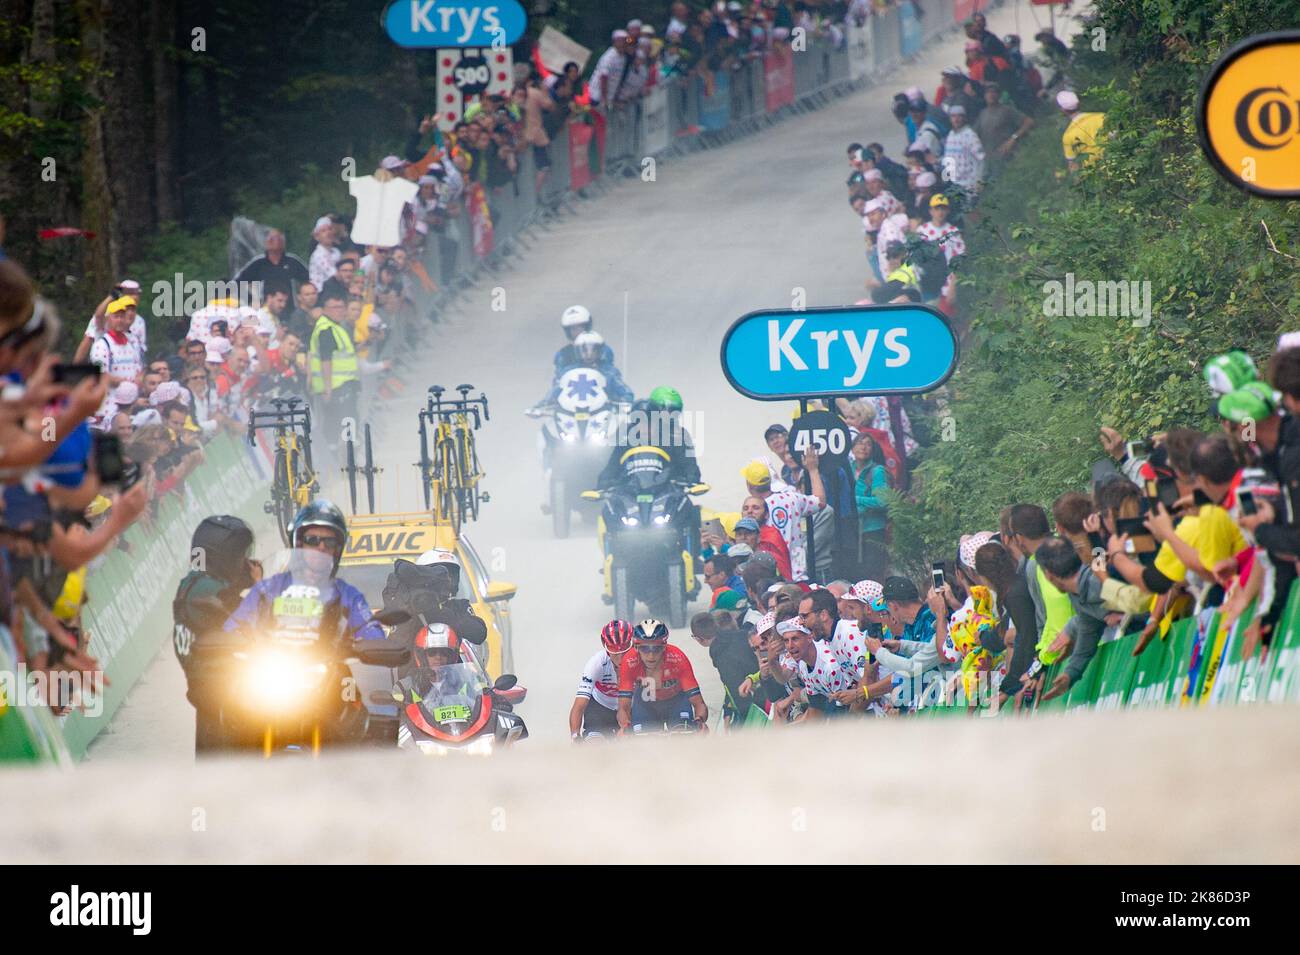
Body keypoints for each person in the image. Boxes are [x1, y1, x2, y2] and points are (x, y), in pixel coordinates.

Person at [224, 501, 382, 643]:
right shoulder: (268, 589)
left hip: (330, 671)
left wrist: (377, 644)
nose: (321, 547)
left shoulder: (349, 596)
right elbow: (233, 627)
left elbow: (371, 631)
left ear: (337, 549)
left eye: (329, 542)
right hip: (271, 670)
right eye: (312, 540)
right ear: (298, 543)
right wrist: (228, 641)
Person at [172, 515, 260, 752]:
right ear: (223, 558)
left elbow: (225, 590)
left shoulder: (194, 581)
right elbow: (249, 617)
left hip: (213, 690)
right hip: (225, 693)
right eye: (239, 557)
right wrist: (260, 585)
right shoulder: (207, 594)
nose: (245, 562)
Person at [378, 548, 488, 668]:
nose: (448, 580)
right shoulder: (408, 607)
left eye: (452, 574)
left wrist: (442, 615)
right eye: (442, 575)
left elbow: (479, 632)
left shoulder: (458, 606)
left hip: (451, 677)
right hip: (412, 677)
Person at [616, 618, 708, 731]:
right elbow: (623, 708)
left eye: (656, 648)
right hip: (646, 704)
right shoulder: (629, 661)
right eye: (644, 649)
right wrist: (625, 728)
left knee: (683, 735)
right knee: (642, 740)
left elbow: (699, 703)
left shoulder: (678, 658)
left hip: (677, 702)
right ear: (636, 647)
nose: (651, 655)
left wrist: (700, 721)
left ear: (664, 647)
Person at [741, 458, 824, 581]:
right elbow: (820, 502)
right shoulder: (792, 498)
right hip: (799, 574)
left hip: (769, 578)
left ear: (749, 485)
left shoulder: (751, 510)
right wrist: (813, 469)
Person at [308, 290, 359, 455]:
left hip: (341, 384)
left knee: (334, 422)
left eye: (342, 307)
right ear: (324, 309)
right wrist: (328, 389)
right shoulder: (326, 329)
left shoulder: (335, 327)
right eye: (335, 307)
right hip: (337, 386)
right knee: (346, 420)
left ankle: (338, 458)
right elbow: (326, 360)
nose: (340, 310)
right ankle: (346, 458)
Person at [689, 611, 759, 726]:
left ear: (699, 638)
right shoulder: (742, 634)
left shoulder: (721, 655)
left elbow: (735, 687)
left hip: (755, 704)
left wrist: (744, 719)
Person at [570, 619, 633, 739]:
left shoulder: (641, 659)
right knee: (593, 744)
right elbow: (579, 706)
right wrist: (575, 736)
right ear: (606, 648)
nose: (620, 658)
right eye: (614, 651)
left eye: (624, 651)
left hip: (629, 707)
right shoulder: (596, 663)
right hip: (600, 708)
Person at [541, 330, 633, 405]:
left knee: (621, 426)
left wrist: (623, 399)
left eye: (593, 350)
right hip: (571, 415)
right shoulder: (568, 372)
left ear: (600, 351)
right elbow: (556, 389)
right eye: (584, 350)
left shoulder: (609, 372)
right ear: (577, 351)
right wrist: (546, 402)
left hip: (603, 415)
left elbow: (626, 392)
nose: (589, 355)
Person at [234, 229, 310, 306]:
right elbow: (237, 284)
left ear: (283, 243)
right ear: (266, 243)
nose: (275, 242)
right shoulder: (258, 264)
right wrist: (251, 301)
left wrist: (304, 305)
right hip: (265, 313)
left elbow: (310, 281)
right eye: (271, 239)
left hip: (291, 312)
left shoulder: (292, 262)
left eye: (278, 238)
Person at [552, 304, 614, 371]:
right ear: (568, 331)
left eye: (580, 327)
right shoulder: (562, 354)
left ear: (587, 326)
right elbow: (559, 377)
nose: (577, 331)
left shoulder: (604, 349)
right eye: (573, 328)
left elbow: (610, 371)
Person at [1057, 90, 1105, 172]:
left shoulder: (1068, 135)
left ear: (1063, 110)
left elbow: (1073, 165)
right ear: (1079, 104)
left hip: (1096, 174)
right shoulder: (1102, 116)